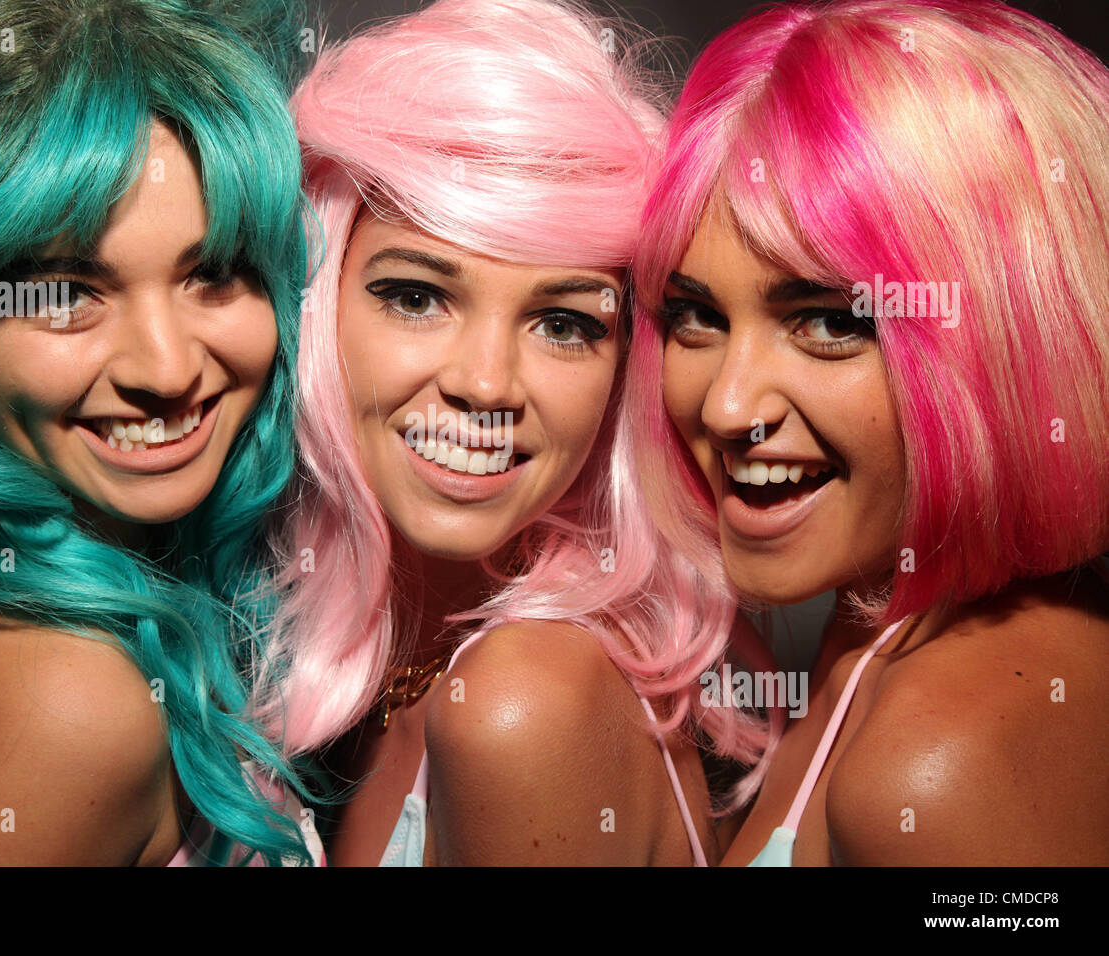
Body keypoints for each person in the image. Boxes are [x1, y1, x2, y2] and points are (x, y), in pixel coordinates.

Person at [248, 0, 771, 866]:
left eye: (563, 323)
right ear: (318, 299)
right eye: (416, 297)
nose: (485, 384)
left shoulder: (527, 700)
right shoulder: (353, 654)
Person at [0, 0, 321, 865]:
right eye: (63, 291)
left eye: (215, 272)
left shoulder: (23, 602)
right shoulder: (64, 699)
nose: (165, 369)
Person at [630, 0, 1109, 864]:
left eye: (829, 322)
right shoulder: (868, 628)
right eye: (696, 314)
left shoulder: (935, 769)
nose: (727, 406)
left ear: (1009, 344)